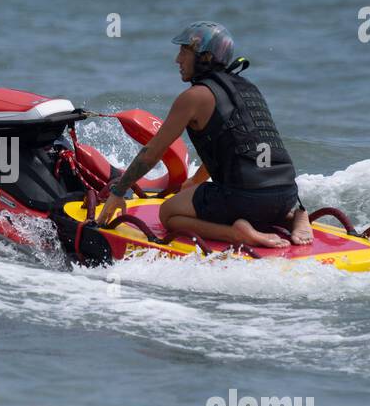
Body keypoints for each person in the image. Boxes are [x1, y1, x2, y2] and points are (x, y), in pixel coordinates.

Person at [96, 21, 312, 248]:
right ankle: (294, 218)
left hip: (245, 201)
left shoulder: (194, 97)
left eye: (183, 52)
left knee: (168, 213)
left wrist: (118, 191)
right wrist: (195, 181)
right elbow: (236, 144)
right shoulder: (247, 87)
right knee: (252, 200)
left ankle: (237, 233)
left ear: (205, 57)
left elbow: (152, 153)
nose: (177, 60)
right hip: (286, 195)